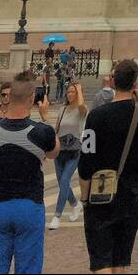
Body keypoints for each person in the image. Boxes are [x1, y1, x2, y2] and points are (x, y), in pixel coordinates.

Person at [77, 58, 138, 275]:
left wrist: (84, 196)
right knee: (120, 263)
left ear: (113, 82)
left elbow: (85, 162)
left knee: (101, 263)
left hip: (101, 196)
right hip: (130, 196)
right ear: (135, 84)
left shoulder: (96, 116)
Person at [0, 71, 57, 274]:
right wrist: (45, 117)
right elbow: (54, 151)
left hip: (0, 206)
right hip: (30, 206)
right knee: (29, 268)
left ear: (9, 97)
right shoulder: (42, 131)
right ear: (32, 97)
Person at [50, 81, 86, 229]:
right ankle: (75, 204)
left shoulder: (81, 110)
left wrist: (79, 88)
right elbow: (56, 129)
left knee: (65, 179)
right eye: (69, 92)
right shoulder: (63, 109)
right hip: (60, 149)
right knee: (61, 181)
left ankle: (57, 216)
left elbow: (82, 107)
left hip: (74, 150)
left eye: (73, 92)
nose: (70, 94)